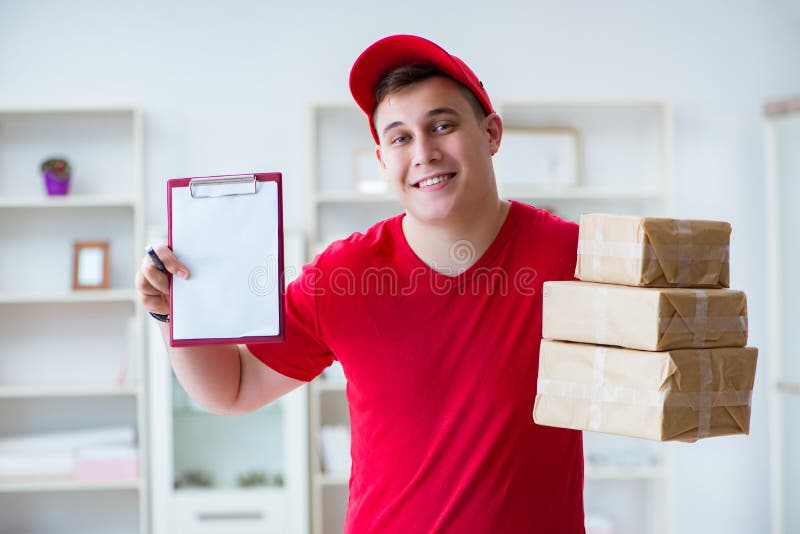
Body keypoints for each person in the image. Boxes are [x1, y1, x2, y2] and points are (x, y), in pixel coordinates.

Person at [137, 34, 585, 533]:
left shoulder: (573, 255)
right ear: (381, 160)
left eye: (442, 125)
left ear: (491, 133)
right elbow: (234, 389)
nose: (424, 152)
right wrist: (172, 311)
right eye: (400, 137)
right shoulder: (344, 276)